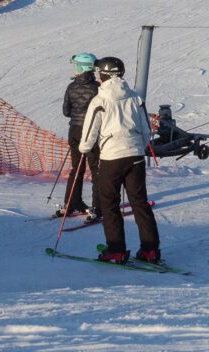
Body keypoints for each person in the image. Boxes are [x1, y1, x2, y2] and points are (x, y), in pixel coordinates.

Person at [80, 56, 160, 264]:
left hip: (111, 158)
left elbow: (89, 134)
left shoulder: (99, 100)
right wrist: (137, 148)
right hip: (135, 156)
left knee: (110, 203)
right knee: (140, 202)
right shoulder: (135, 98)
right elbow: (146, 130)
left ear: (103, 75)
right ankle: (150, 250)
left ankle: (116, 249)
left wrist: (84, 148)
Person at [59, 52, 100, 219]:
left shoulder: (71, 87)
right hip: (92, 131)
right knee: (96, 169)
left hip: (74, 130)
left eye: (76, 66)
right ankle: (98, 206)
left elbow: (66, 111)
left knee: (77, 168)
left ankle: (72, 203)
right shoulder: (98, 88)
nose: (74, 69)